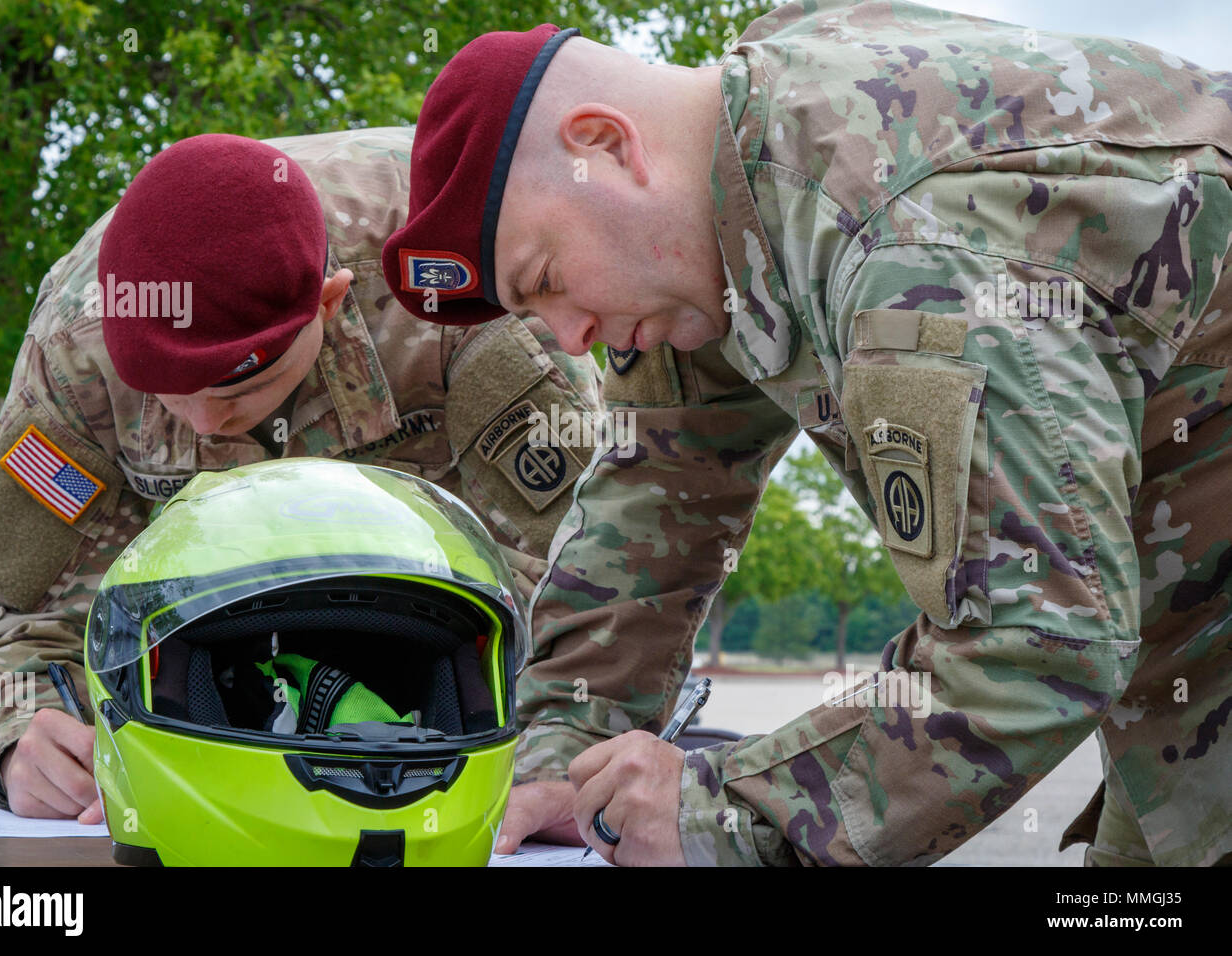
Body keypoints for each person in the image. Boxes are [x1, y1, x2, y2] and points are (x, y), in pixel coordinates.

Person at [383, 2, 1232, 866]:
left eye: (548, 278)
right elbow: (653, 500)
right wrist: (564, 756)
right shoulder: (726, 190)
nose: (568, 339)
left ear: (605, 145)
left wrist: (718, 820)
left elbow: (1031, 647)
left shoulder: (909, 238)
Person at [0, 126, 603, 824]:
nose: (201, 424)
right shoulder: (77, 345)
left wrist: (555, 759)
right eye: (167, 392)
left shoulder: (461, 281)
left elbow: (589, 571)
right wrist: (23, 733)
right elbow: (17, 615)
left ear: (327, 304)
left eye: (233, 391)